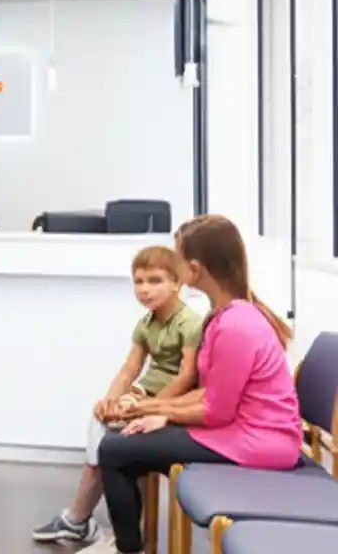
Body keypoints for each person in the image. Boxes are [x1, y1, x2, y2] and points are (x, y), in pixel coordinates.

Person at [83, 214, 300, 554]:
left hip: (258, 441)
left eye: (179, 259)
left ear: (195, 270)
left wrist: (161, 413)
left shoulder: (235, 325)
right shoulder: (224, 316)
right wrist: (149, 408)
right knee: (124, 443)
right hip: (243, 431)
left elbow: (216, 410)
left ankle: (127, 548)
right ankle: (131, 542)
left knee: (114, 451)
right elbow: (208, 393)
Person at [31, 246, 202, 544]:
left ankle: (78, 518)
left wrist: (148, 406)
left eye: (155, 280)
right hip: (144, 393)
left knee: (110, 439)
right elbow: (129, 368)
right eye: (138, 281)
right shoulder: (146, 324)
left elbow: (187, 376)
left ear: (178, 283)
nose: (145, 289)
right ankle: (79, 518)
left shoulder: (189, 323)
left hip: (169, 402)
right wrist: (110, 399)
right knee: (100, 420)